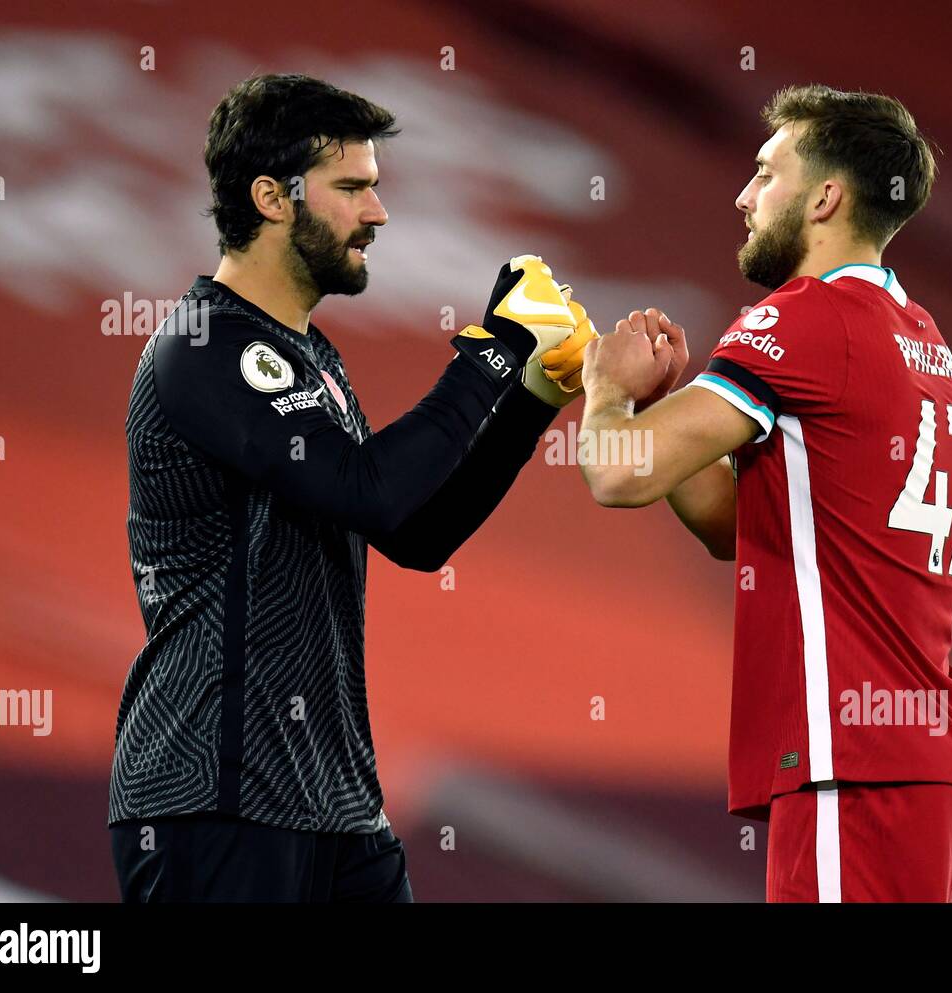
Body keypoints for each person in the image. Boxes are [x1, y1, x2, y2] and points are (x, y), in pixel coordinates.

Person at [108, 73, 593, 902]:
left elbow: (412, 531)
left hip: (334, 803)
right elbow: (367, 489)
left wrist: (533, 396)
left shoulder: (311, 358)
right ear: (272, 197)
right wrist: (498, 345)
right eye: (352, 188)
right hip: (217, 798)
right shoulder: (203, 347)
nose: (379, 212)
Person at [577, 84, 952, 902]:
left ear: (826, 196)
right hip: (930, 765)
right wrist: (667, 408)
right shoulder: (921, 338)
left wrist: (605, 392)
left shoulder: (805, 317)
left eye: (767, 173)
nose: (744, 195)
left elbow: (618, 469)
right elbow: (742, 524)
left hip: (857, 763)